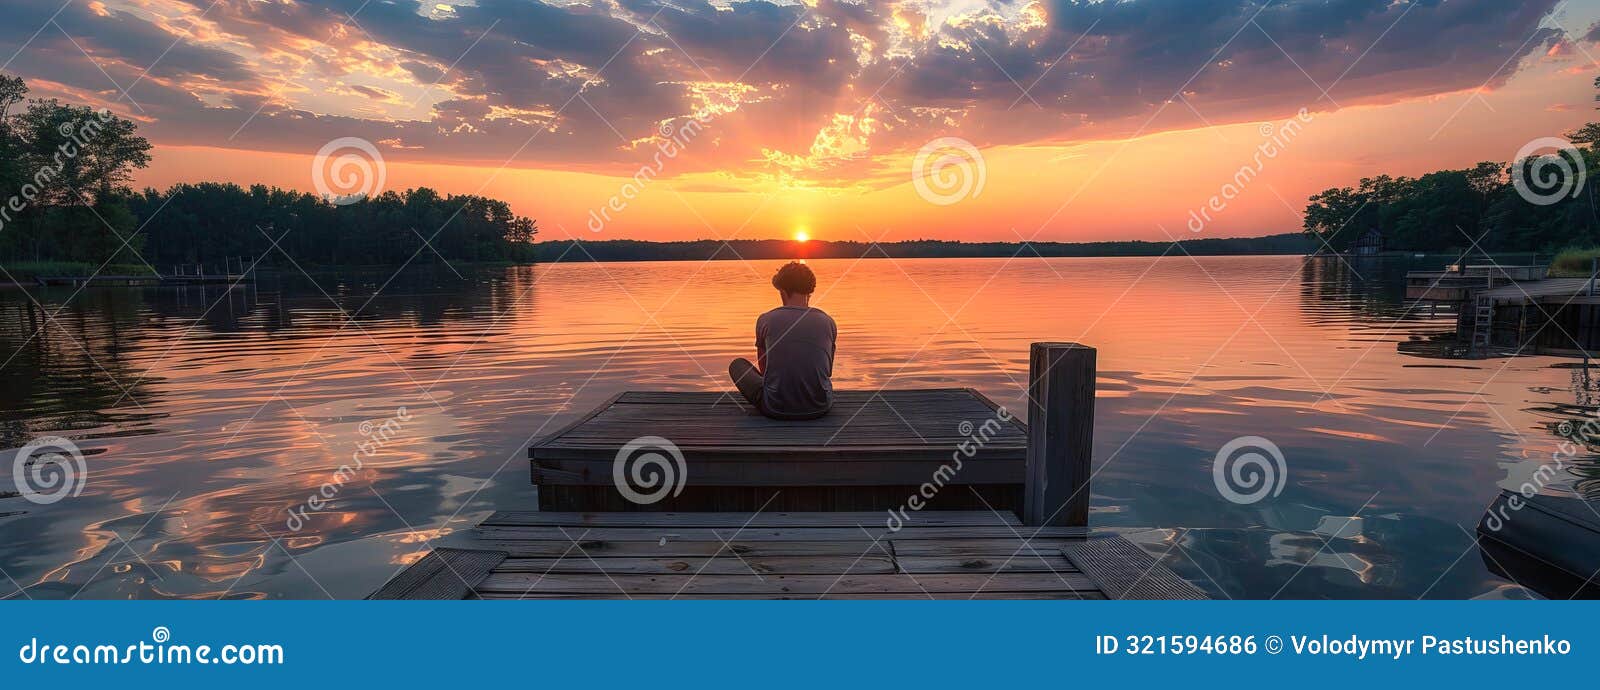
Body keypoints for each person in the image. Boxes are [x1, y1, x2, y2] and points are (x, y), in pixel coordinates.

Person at [729, 261, 836, 420]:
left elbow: (765, 372)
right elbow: (828, 371)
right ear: (810, 291)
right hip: (820, 407)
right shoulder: (828, 321)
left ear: (783, 291)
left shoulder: (766, 319)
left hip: (776, 408)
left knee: (737, 365)